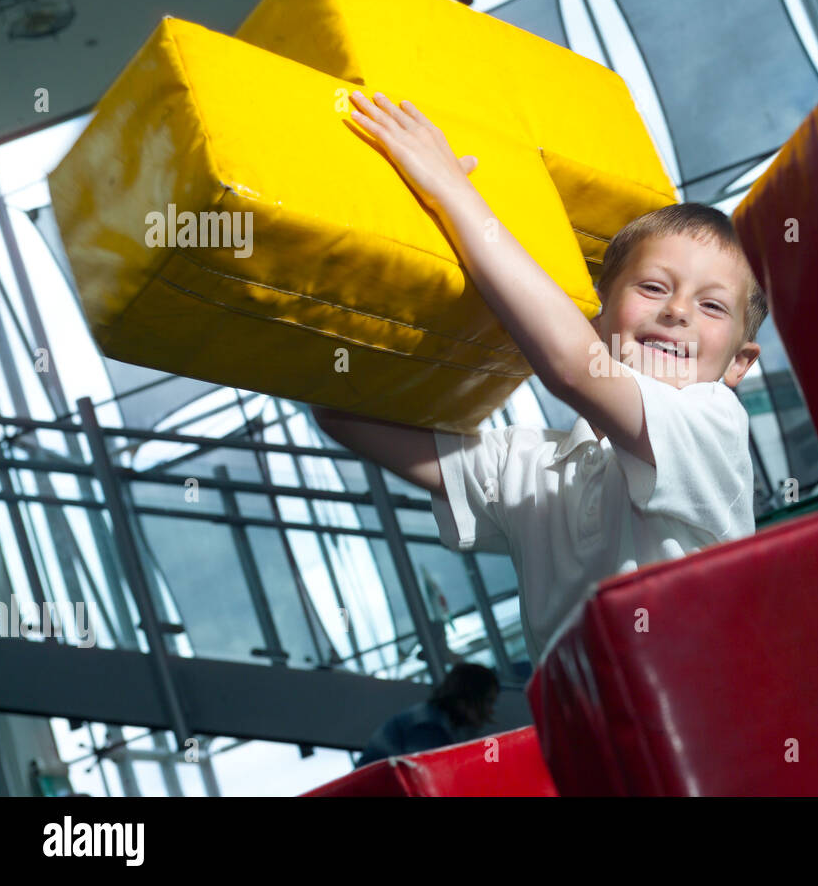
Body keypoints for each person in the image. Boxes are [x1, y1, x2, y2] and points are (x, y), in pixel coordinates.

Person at [312, 89, 767, 664]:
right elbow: (343, 414)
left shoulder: (712, 424)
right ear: (596, 313)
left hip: (702, 735)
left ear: (738, 364)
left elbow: (574, 365)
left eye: (712, 306)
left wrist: (450, 190)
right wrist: (395, 250)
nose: (676, 311)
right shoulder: (525, 463)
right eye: (653, 287)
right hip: (585, 744)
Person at [355, 663, 499, 768]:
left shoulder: (436, 722)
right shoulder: (427, 727)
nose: (490, 711)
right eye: (488, 701)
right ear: (469, 698)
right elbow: (424, 778)